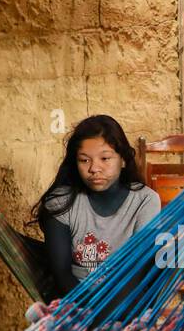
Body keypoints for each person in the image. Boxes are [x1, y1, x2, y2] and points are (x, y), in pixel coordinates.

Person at [31, 114, 161, 298]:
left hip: (127, 298)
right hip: (77, 300)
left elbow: (137, 272)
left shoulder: (145, 201)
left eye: (105, 159)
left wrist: (109, 312)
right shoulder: (61, 203)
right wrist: (90, 313)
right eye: (84, 160)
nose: (94, 168)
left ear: (123, 160)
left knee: (170, 259)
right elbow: (62, 274)